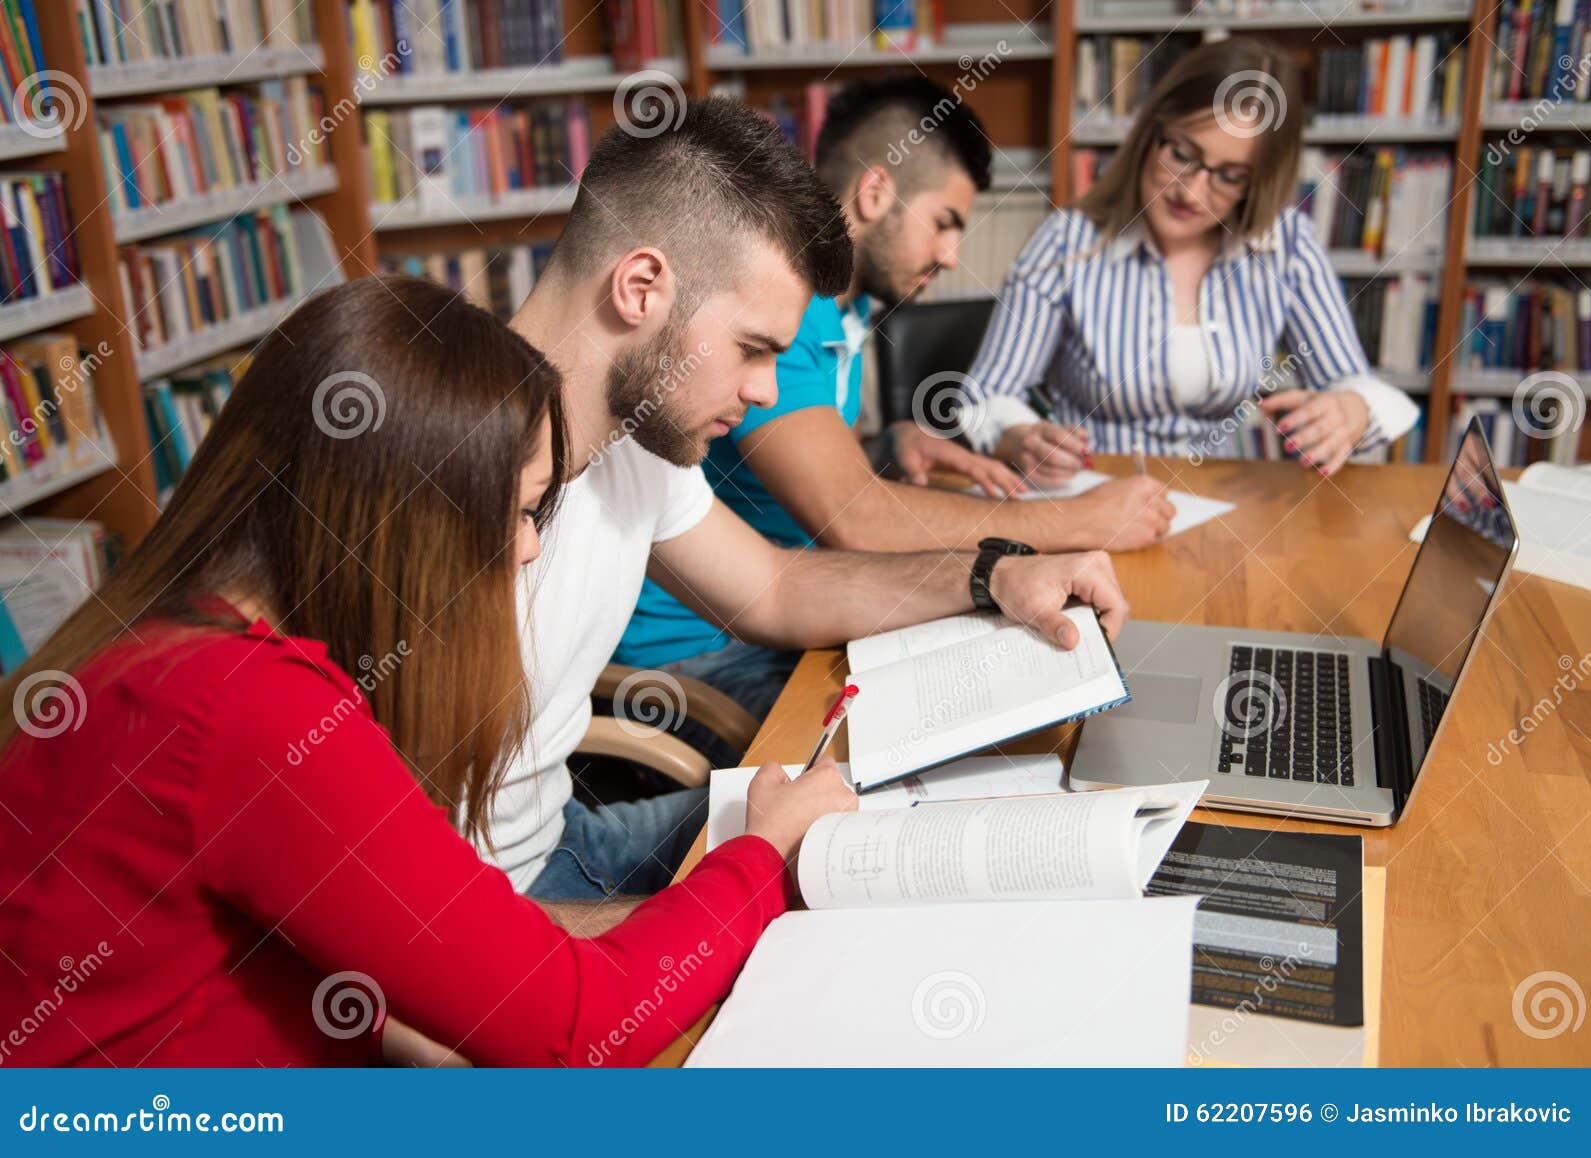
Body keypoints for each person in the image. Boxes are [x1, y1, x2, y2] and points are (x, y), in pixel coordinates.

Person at [0, 277, 858, 1067]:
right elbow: (579, 1032)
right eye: (522, 512)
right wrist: (759, 854)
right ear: (409, 519)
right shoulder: (252, 714)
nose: (530, 548)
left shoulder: (172, 648)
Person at [494, 97, 1132, 907]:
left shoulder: (637, 443)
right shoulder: (447, 470)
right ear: (642, 287)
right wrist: (752, 870)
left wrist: (994, 575)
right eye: (751, 351)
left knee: (943, 823)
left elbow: (775, 587)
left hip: (567, 845)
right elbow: (425, 943)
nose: (765, 391)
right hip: (508, 913)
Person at [614, 78, 1173, 727]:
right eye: (944, 222)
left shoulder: (838, 317)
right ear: (876, 191)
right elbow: (854, 517)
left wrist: (883, 445)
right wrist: (1080, 520)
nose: (951, 255)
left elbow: (793, 480)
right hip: (701, 659)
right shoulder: (779, 323)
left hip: (779, 615)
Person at [941, 37, 1420, 486]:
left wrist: (1353, 410)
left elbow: (1354, 383)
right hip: (1097, 502)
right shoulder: (1067, 241)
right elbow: (984, 397)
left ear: (1259, 184)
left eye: (1229, 176)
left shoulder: (1286, 244)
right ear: (1152, 132)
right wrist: (1017, 437)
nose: (1191, 192)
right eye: (1181, 154)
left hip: (1228, 508)